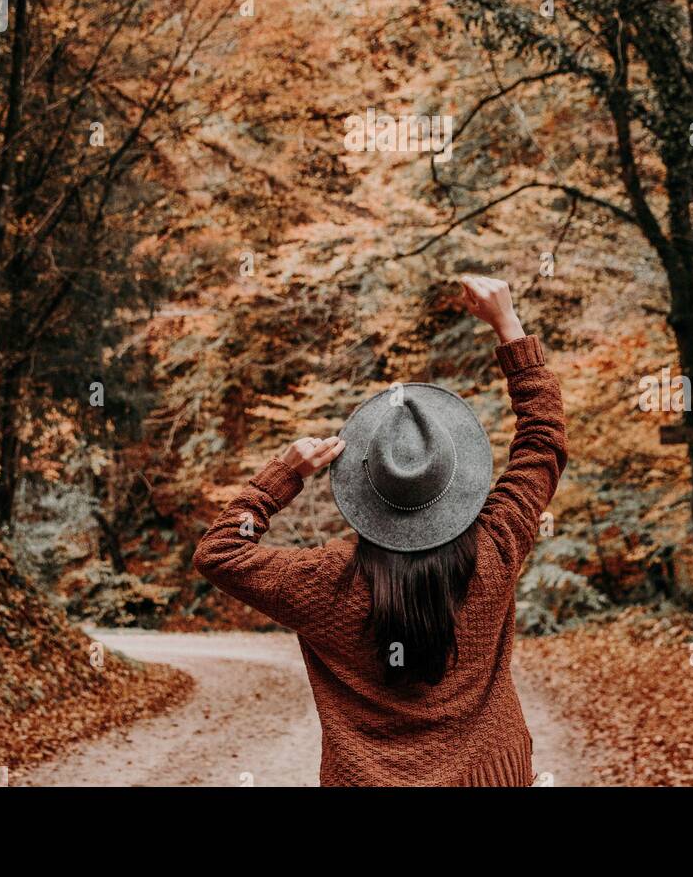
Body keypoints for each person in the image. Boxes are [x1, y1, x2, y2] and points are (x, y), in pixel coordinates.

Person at [192, 274, 567, 786]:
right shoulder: (496, 545)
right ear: (456, 478)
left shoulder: (325, 579)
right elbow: (542, 441)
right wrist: (508, 325)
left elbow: (219, 552)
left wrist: (283, 476)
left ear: (363, 489)